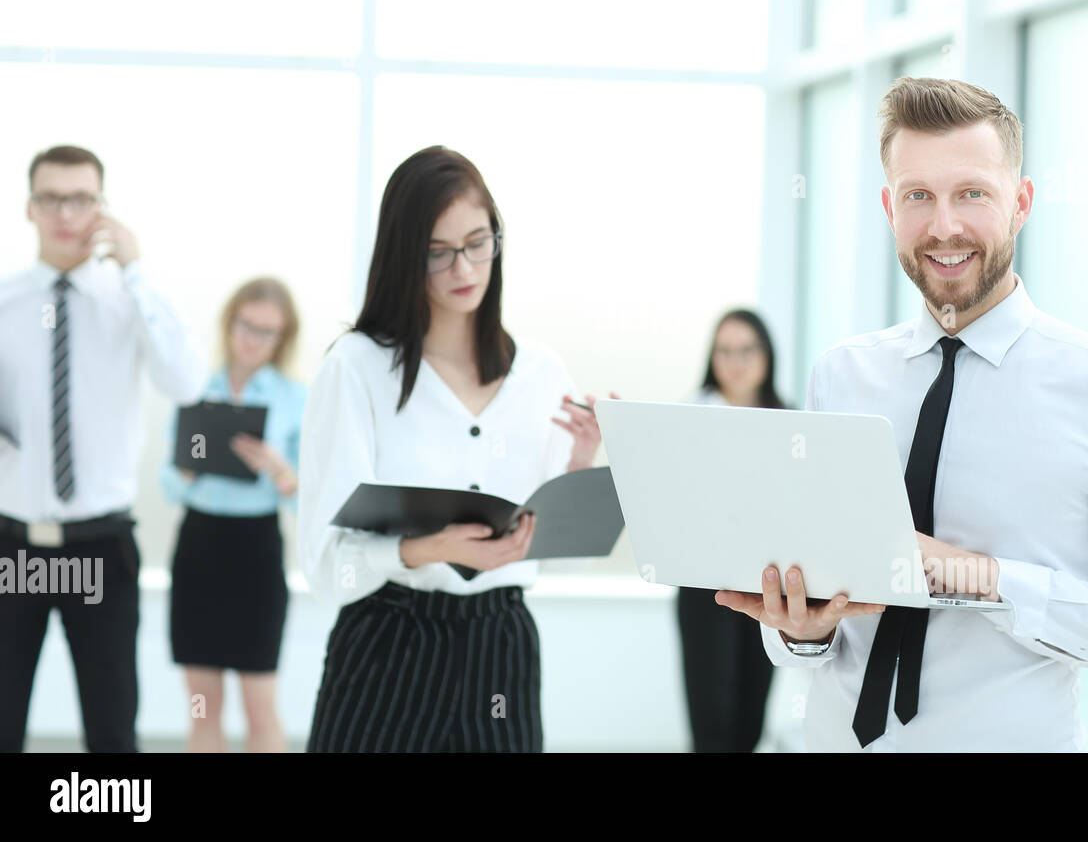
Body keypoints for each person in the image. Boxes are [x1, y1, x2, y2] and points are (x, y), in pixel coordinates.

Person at [717, 77, 1088, 752]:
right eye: (919, 196)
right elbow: (817, 641)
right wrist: (802, 631)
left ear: (1022, 203)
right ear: (891, 207)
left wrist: (989, 580)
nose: (944, 225)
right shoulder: (841, 375)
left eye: (972, 193)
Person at [298, 145, 612, 753]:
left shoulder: (543, 373)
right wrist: (427, 550)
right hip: (387, 643)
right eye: (437, 253)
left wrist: (583, 461)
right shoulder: (356, 370)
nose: (464, 269)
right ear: (403, 258)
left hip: (501, 645)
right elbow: (325, 564)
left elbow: (561, 553)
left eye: (477, 242)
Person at [0, 145, 206, 752]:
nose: (66, 213)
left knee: (112, 729)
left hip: (100, 546)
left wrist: (135, 272)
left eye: (82, 199)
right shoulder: (5, 304)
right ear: (30, 208)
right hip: (14, 546)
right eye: (52, 198)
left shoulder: (129, 303)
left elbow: (186, 382)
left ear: (102, 209)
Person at [160, 277, 306, 752]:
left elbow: (302, 499)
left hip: (257, 553)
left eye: (267, 332)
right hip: (200, 548)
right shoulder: (195, 387)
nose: (252, 339)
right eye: (246, 325)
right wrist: (193, 462)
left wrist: (277, 468)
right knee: (203, 707)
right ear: (229, 323)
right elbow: (166, 485)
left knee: (260, 706)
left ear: (281, 339)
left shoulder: (293, 398)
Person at [676, 309, 784, 752]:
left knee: (750, 718)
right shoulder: (688, 418)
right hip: (704, 584)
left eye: (746, 350)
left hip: (767, 587)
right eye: (724, 351)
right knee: (711, 719)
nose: (735, 361)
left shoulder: (788, 420)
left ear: (766, 355)